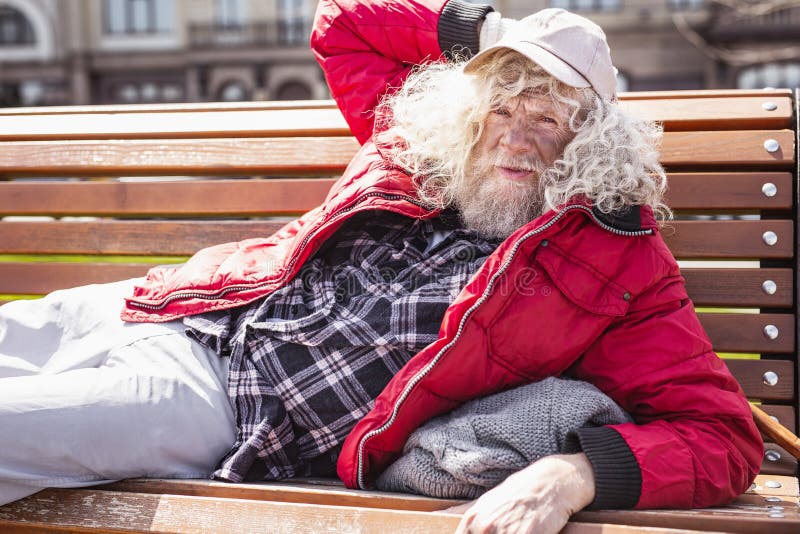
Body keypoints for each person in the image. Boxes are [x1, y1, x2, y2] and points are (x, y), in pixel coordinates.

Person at [0, 0, 762, 532]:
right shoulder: (423, 145)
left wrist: (577, 474)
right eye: (501, 105)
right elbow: (346, 22)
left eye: (546, 118)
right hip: (175, 308)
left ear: (588, 141)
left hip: (231, 403)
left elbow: (721, 437)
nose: (515, 137)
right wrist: (497, 31)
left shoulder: (617, 263)